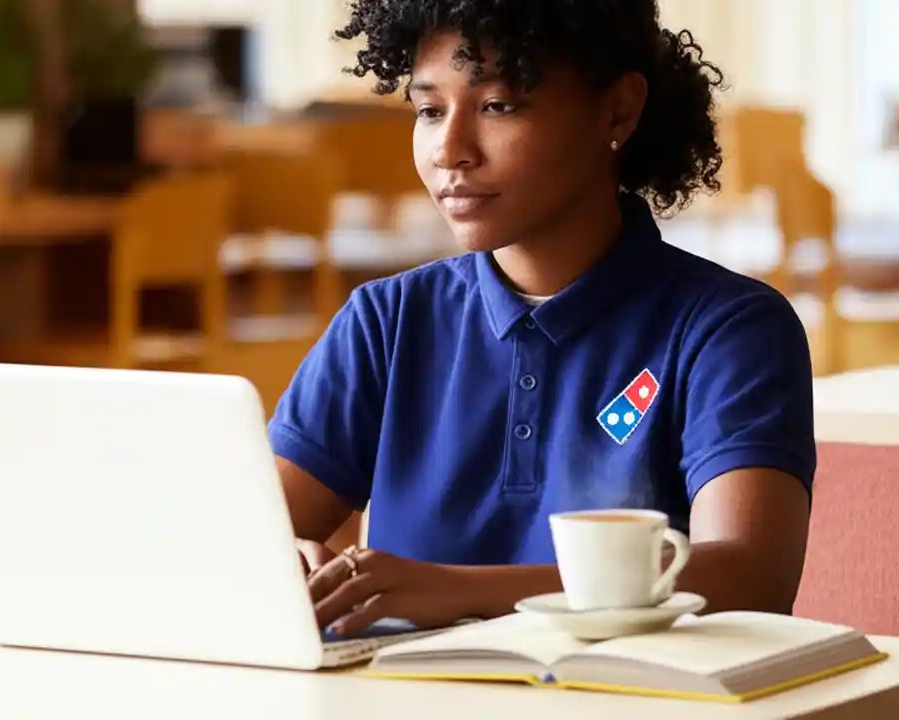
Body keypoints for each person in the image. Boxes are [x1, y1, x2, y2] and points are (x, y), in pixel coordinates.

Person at [272, 0, 814, 637]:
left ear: (616, 111)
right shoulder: (386, 323)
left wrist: (448, 591)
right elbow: (233, 540)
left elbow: (750, 579)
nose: (450, 150)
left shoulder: (729, 330)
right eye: (429, 110)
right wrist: (278, 562)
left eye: (498, 105)